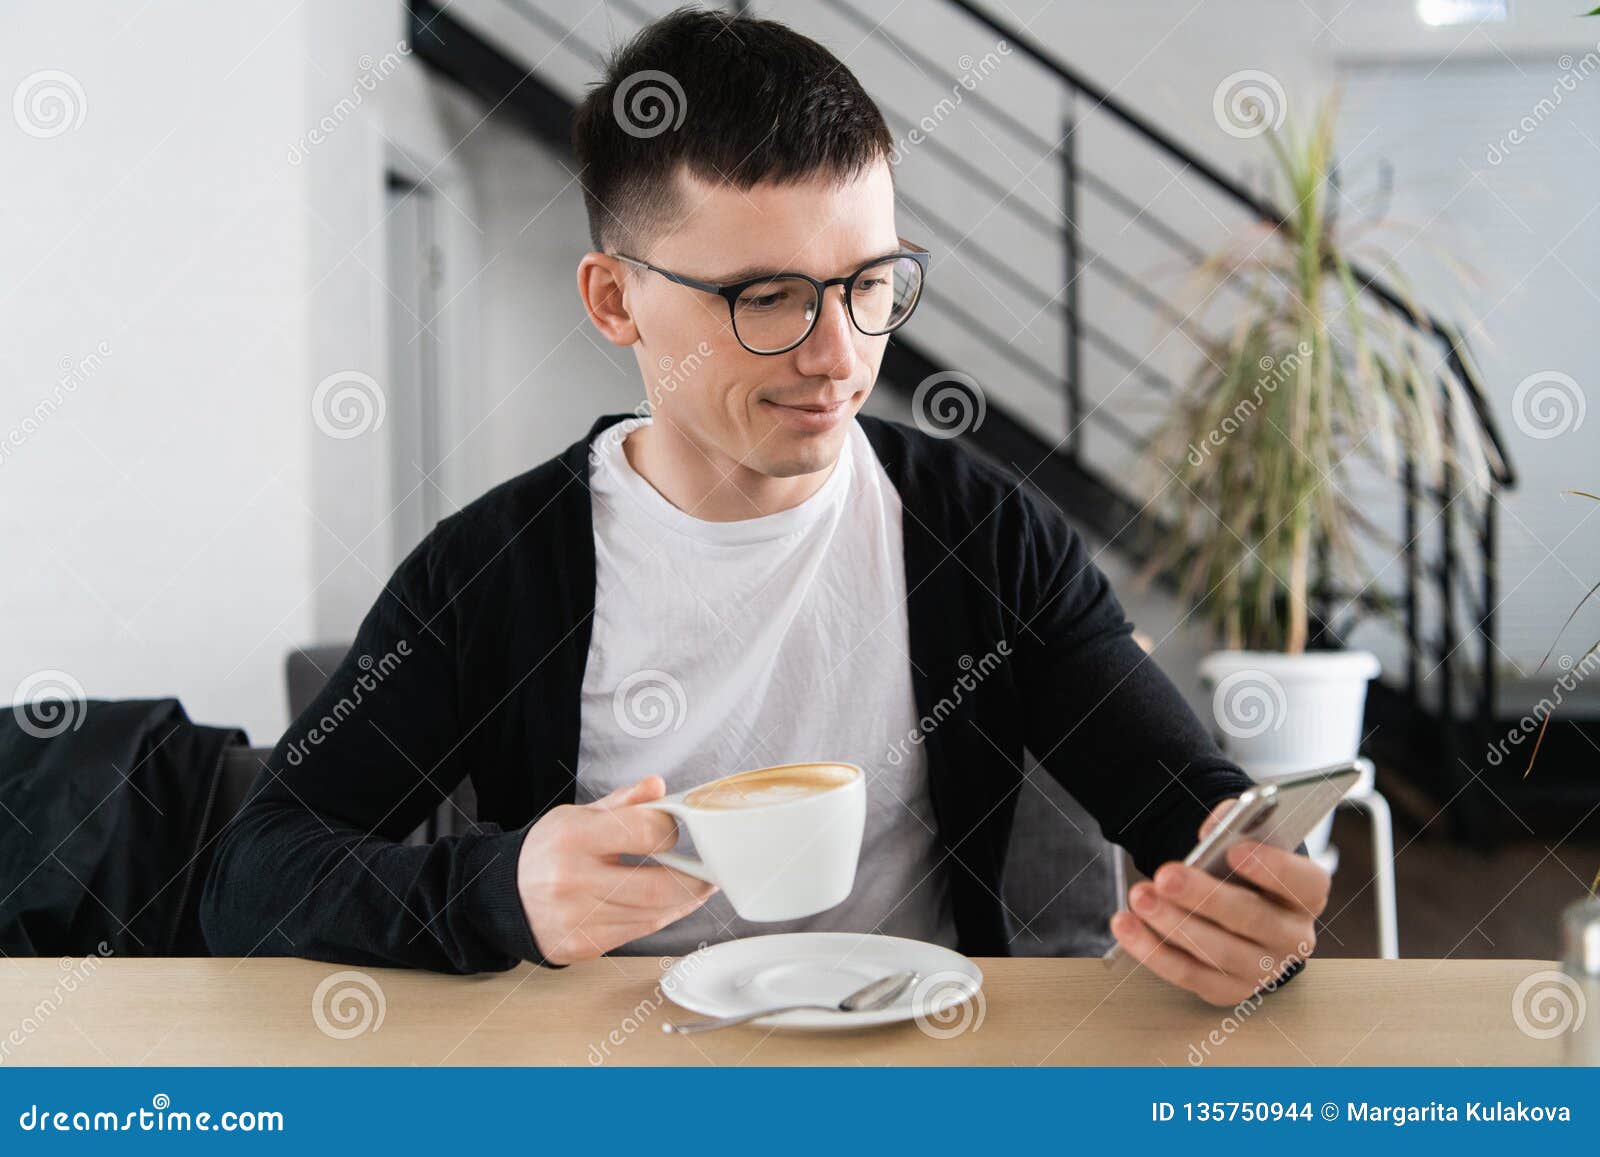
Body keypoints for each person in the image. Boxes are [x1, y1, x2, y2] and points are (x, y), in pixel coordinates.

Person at [201, 7, 1327, 1007]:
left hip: (917, 1067)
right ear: (614, 299)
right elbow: (256, 874)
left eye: (869, 283)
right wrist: (501, 890)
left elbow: (1192, 811)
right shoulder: (493, 568)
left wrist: (1253, 913)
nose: (840, 356)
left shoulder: (984, 535)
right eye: (767, 297)